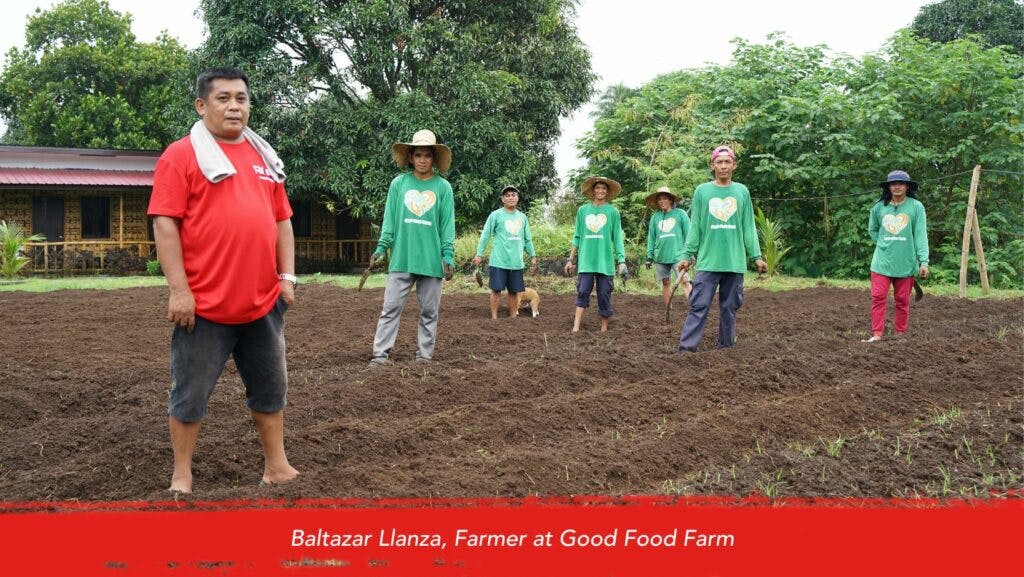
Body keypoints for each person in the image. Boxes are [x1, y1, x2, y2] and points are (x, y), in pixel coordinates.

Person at [148, 67, 299, 493]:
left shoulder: (263, 157)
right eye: (223, 98)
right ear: (201, 105)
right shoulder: (181, 155)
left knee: (271, 389)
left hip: (262, 302)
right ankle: (182, 474)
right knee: (190, 394)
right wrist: (179, 290)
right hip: (203, 306)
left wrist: (286, 277)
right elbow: (165, 224)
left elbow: (282, 220)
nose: (235, 106)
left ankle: (277, 465)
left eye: (242, 99)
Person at [368, 129, 456, 366]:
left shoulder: (443, 188)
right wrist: (381, 247)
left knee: (429, 312)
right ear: (410, 157)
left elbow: (447, 226)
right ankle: (380, 354)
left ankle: (424, 356)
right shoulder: (399, 184)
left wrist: (448, 255)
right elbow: (390, 221)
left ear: (434, 158)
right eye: (418, 155)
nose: (423, 160)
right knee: (390, 308)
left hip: (431, 260)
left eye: (427, 155)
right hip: (402, 257)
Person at [677, 146, 766, 352]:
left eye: (727, 162)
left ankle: (726, 349)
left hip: (734, 263)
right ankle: (686, 350)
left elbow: (748, 227)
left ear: (734, 165)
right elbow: (696, 226)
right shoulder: (702, 191)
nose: (723, 166)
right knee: (699, 305)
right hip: (709, 261)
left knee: (729, 308)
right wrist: (686, 254)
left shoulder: (742, 191)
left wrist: (756, 256)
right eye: (719, 162)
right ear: (712, 165)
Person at [863, 170, 929, 342]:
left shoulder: (916, 207)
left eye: (901, 183)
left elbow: (921, 235)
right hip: (882, 262)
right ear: (888, 187)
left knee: (902, 300)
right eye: (893, 184)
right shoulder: (879, 207)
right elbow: (873, 229)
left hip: (906, 262)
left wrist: (924, 261)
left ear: (907, 187)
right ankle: (877, 334)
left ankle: (900, 334)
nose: (897, 186)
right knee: (878, 297)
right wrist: (883, 243)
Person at [564, 176, 627, 333]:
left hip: (605, 262)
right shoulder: (583, 211)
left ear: (607, 192)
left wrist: (622, 260)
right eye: (597, 188)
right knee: (583, 291)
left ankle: (603, 328)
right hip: (586, 261)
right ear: (593, 191)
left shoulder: (613, 212)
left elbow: (617, 238)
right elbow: (577, 237)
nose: (600, 191)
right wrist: (570, 259)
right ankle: (576, 327)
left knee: (604, 293)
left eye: (603, 189)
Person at [472, 185, 538, 319]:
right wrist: (479, 254)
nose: (511, 198)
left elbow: (527, 239)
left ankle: (513, 318)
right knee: (496, 291)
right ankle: (494, 318)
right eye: (507, 195)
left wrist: (532, 255)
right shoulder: (495, 215)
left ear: (518, 198)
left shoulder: (522, 217)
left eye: (513, 195)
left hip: (516, 263)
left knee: (514, 292)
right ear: (502, 199)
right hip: (499, 261)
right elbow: (485, 235)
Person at [645, 186, 691, 309]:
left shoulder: (680, 214)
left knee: (685, 281)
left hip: (679, 256)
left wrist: (690, 253)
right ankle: (668, 311)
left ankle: (696, 309)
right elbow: (651, 238)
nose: (662, 201)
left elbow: (689, 234)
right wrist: (649, 256)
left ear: (671, 200)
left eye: (665, 198)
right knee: (666, 282)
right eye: (659, 199)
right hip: (660, 256)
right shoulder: (655, 217)